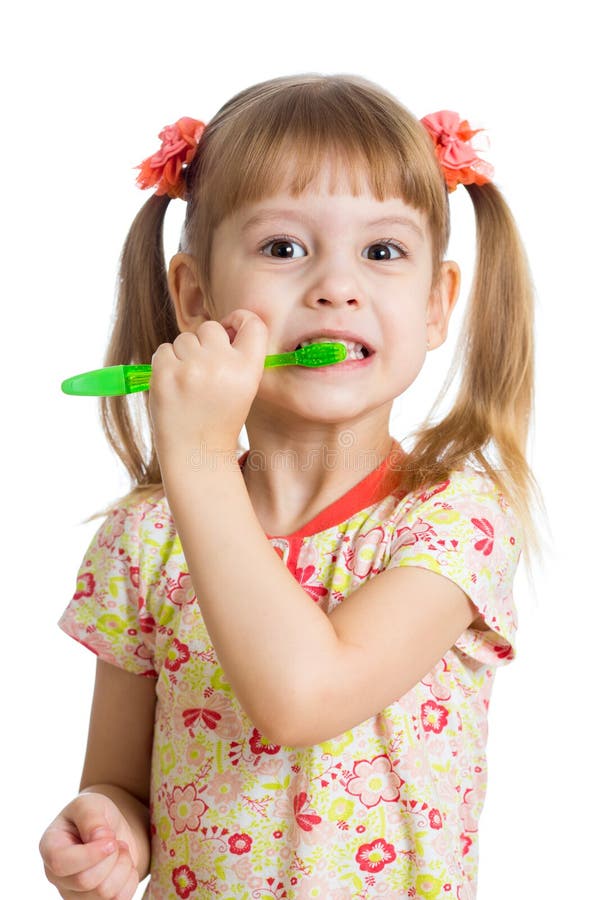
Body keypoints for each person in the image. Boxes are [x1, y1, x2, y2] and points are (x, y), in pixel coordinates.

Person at [39, 74, 544, 899]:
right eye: (283, 248)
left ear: (435, 303)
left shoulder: (455, 520)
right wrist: (105, 835)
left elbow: (304, 697)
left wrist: (199, 458)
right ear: (196, 299)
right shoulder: (143, 541)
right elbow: (122, 787)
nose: (336, 286)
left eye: (382, 252)